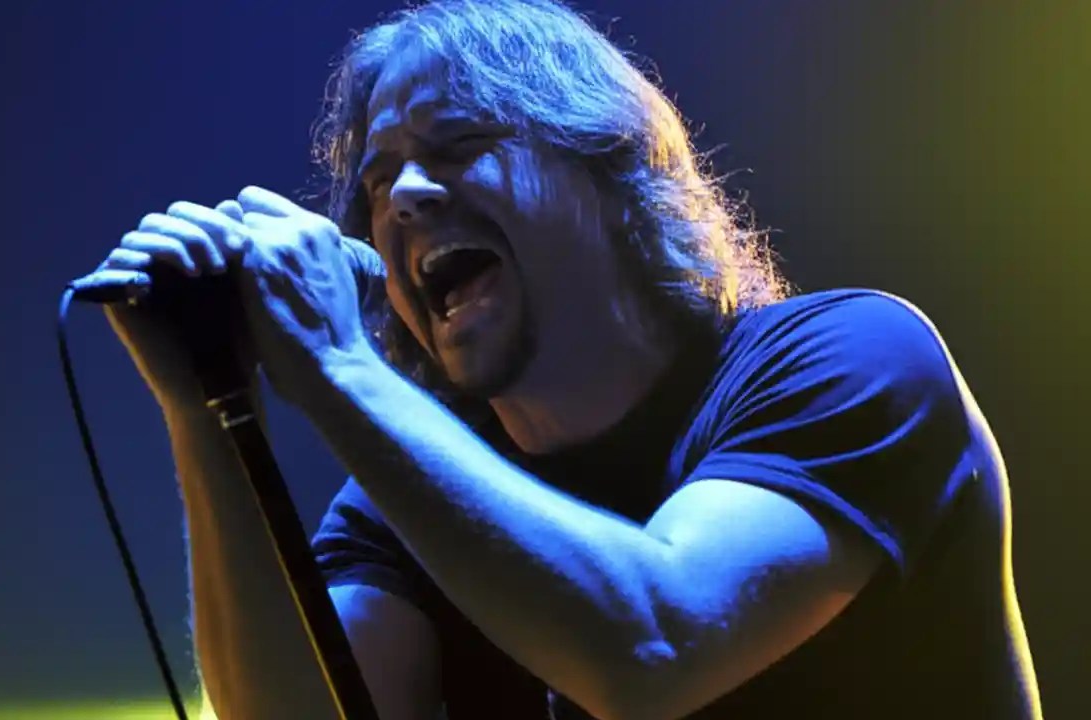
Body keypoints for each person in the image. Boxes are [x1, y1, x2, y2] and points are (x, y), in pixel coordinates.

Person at [92, 1, 1042, 717]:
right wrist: (208, 410)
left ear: (606, 174)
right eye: (378, 182)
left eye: (459, 146)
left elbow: (654, 646)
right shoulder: (404, 503)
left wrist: (337, 368)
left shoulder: (849, 360)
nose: (405, 201)